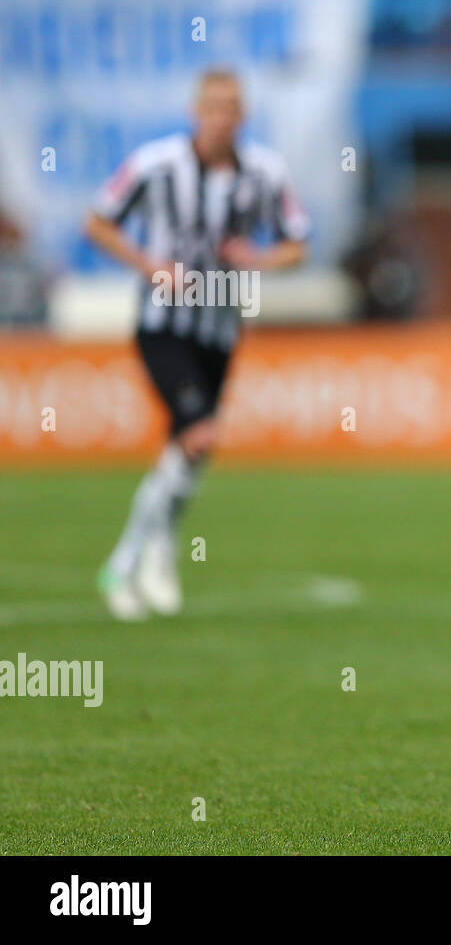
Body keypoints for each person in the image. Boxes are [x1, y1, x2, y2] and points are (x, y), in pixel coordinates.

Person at [86, 68, 310, 620]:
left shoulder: (264, 172)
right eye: (212, 106)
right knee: (197, 432)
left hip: (219, 329)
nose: (221, 117)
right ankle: (125, 561)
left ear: (244, 115)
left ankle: (158, 554)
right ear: (195, 110)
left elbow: (297, 244)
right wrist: (149, 266)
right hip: (163, 324)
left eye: (231, 107)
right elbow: (98, 222)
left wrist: (256, 260)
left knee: (190, 449)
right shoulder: (154, 165)